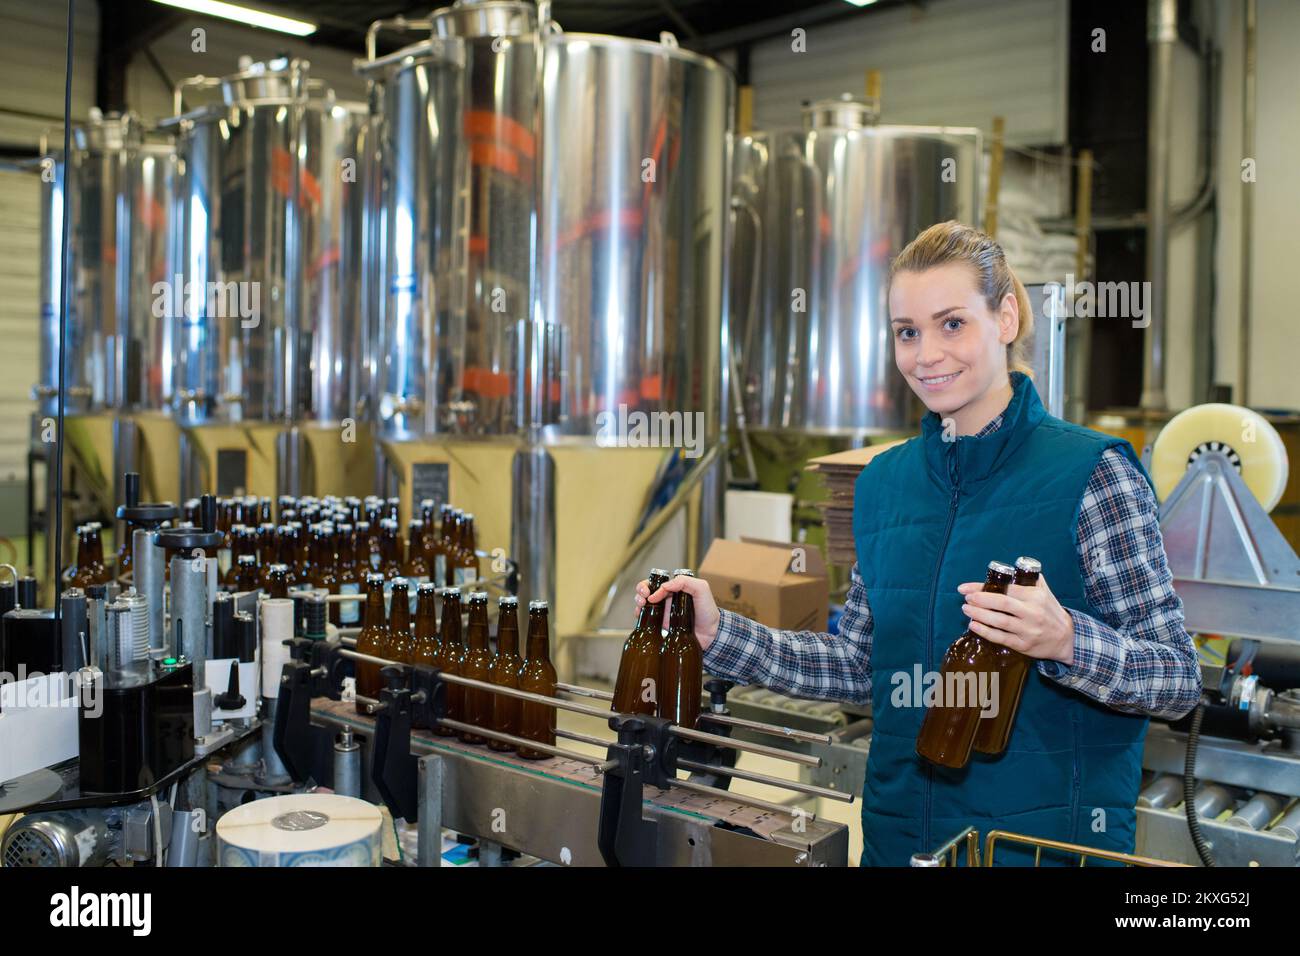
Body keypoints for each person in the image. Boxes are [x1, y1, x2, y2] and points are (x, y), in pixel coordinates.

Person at [637, 220, 1201, 866]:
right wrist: (721, 636)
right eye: (908, 332)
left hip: (1036, 851)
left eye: (952, 323)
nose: (926, 354)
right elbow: (860, 665)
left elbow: (1178, 680)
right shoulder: (885, 484)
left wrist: (1067, 640)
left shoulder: (1092, 474)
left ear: (1006, 318)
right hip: (901, 841)